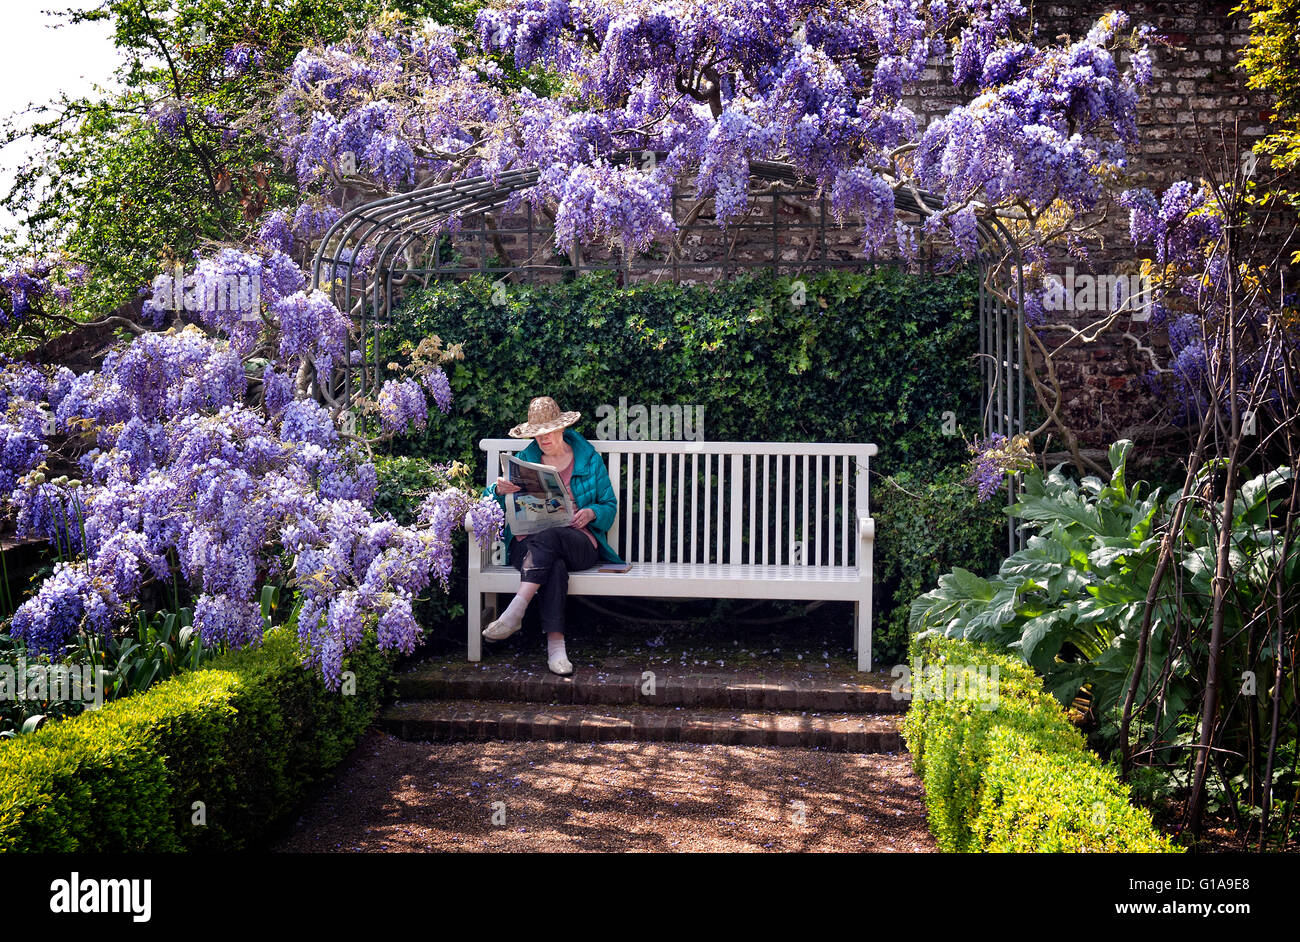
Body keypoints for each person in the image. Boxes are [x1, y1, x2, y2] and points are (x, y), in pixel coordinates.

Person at [482, 396, 625, 675]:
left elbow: (609, 505)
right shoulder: (524, 460)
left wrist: (592, 513)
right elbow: (487, 506)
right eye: (537, 434)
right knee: (553, 563)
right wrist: (497, 491)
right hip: (530, 544)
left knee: (553, 538)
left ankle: (515, 612)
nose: (543, 439)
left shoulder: (589, 459)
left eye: (548, 432)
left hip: (578, 542)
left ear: (561, 428)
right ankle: (556, 648)